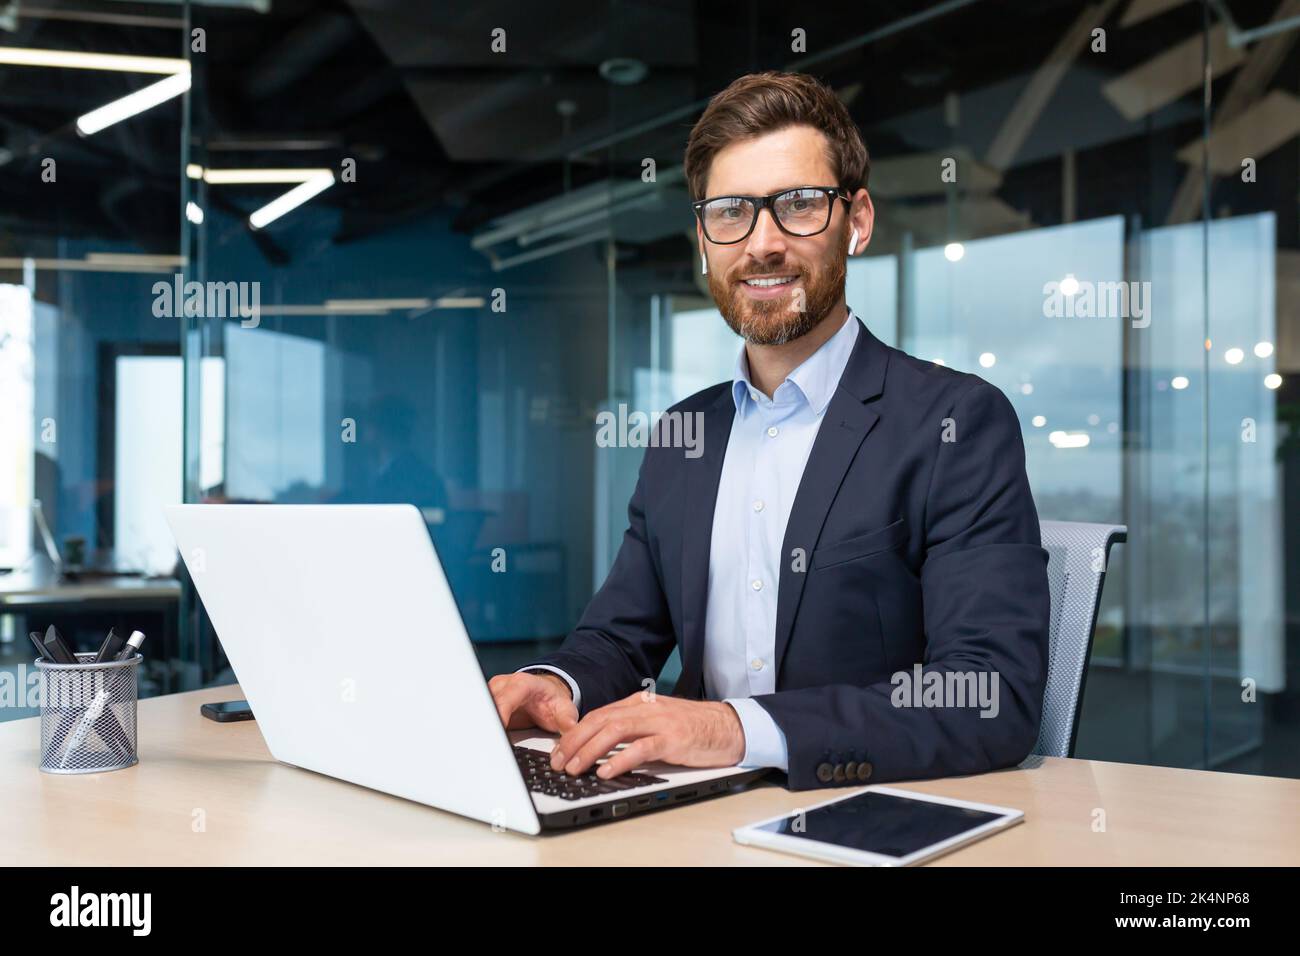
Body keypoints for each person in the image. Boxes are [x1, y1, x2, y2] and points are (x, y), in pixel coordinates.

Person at [489, 70, 1050, 790]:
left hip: (869, 814)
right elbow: (620, 635)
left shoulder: (955, 422)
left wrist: (735, 728)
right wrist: (557, 682)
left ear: (858, 220)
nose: (762, 243)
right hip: (690, 811)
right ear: (703, 237)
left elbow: (988, 694)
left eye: (799, 205)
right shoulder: (684, 433)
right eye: (731, 212)